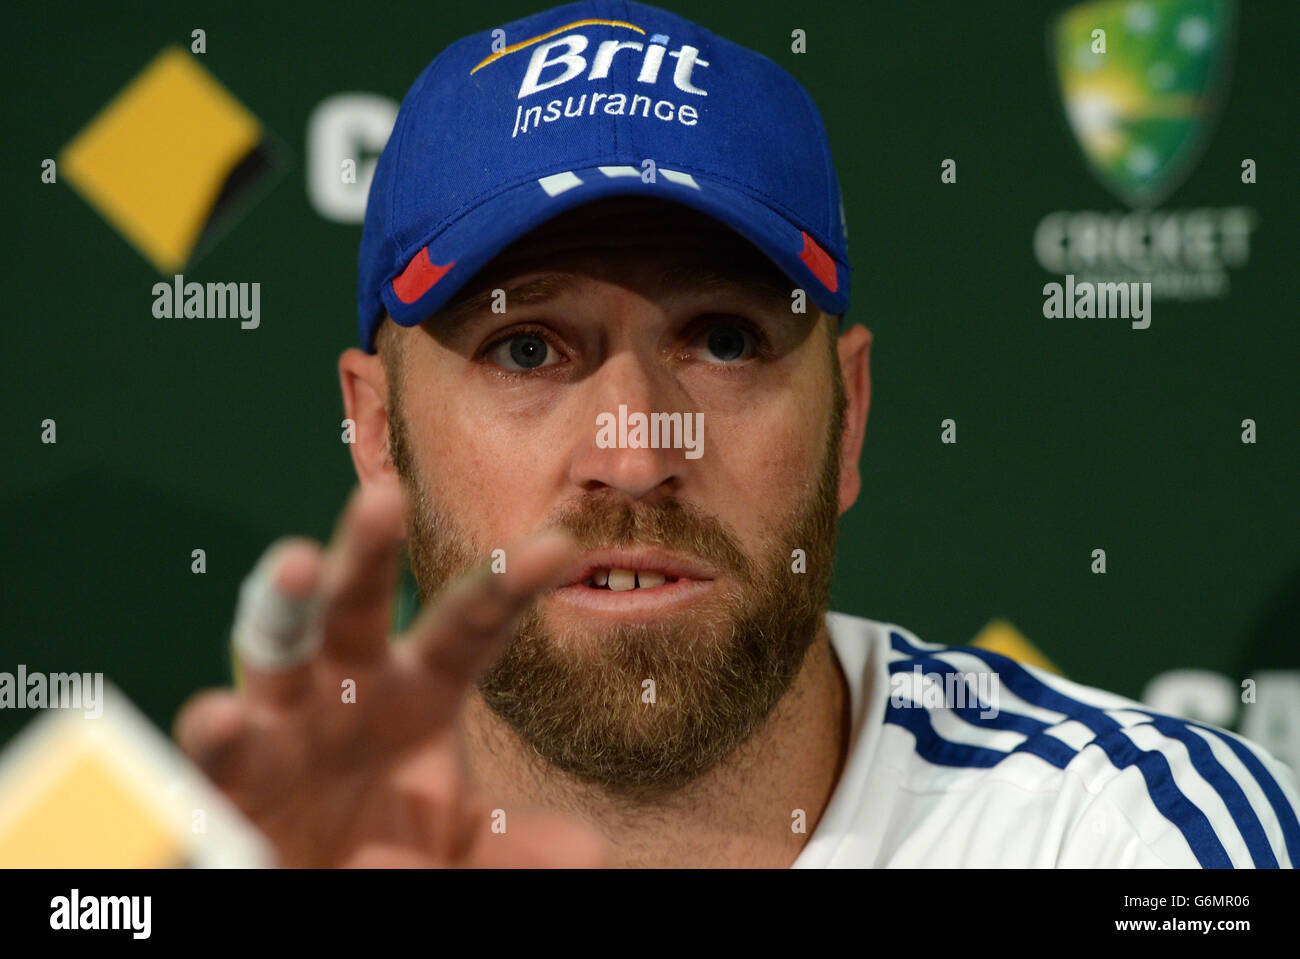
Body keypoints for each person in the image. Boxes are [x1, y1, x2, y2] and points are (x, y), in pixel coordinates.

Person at [174, 0, 1300, 868]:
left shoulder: (1135, 842)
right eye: (527, 350)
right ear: (375, 426)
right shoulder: (180, 859)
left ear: (848, 413)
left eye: (722, 341)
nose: (635, 448)